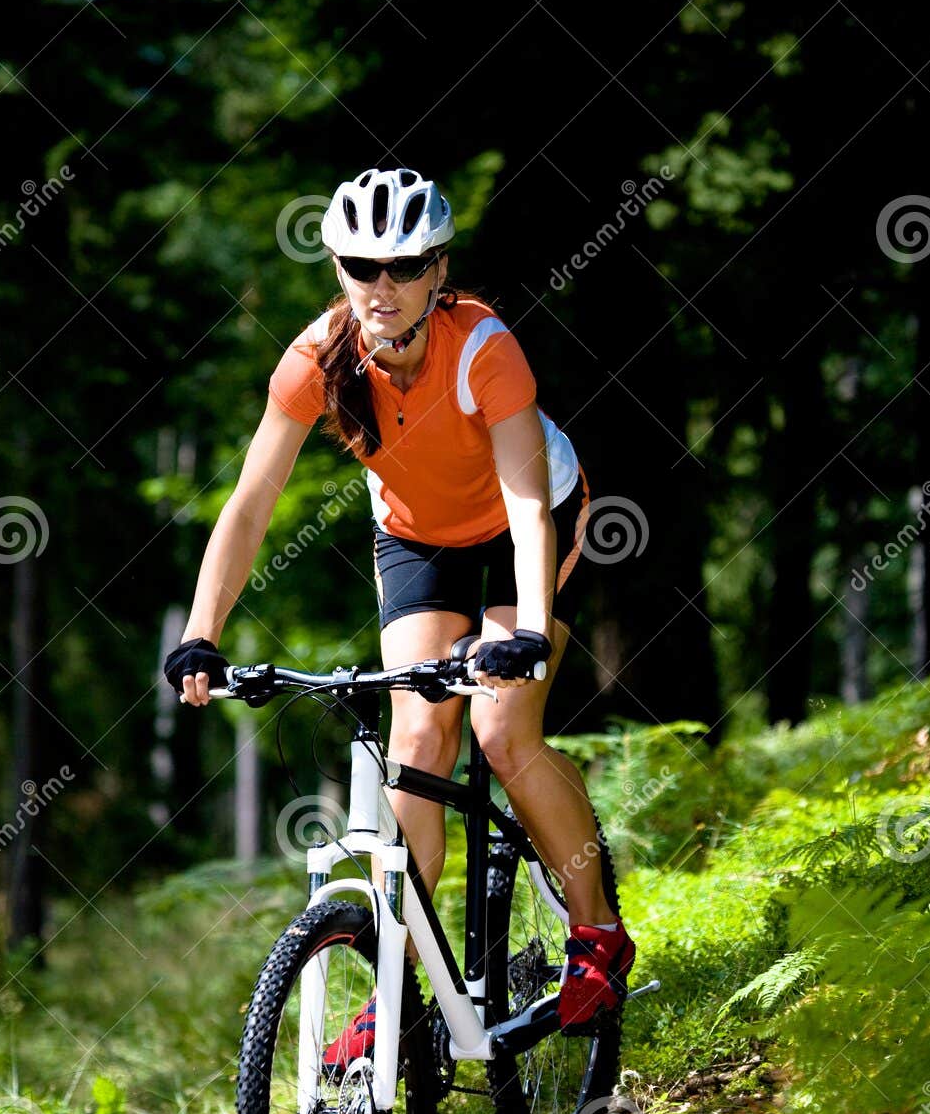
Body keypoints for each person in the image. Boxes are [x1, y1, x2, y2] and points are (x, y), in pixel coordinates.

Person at [164, 166, 635, 1063]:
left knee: (501, 729)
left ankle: (597, 932)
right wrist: (202, 632)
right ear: (338, 268)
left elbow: (527, 502)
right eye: (360, 263)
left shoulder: (482, 347)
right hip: (417, 541)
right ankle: (397, 991)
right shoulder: (316, 358)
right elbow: (251, 501)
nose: (382, 285)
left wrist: (529, 627)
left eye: (404, 264)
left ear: (437, 268)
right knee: (415, 746)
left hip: (521, 521)